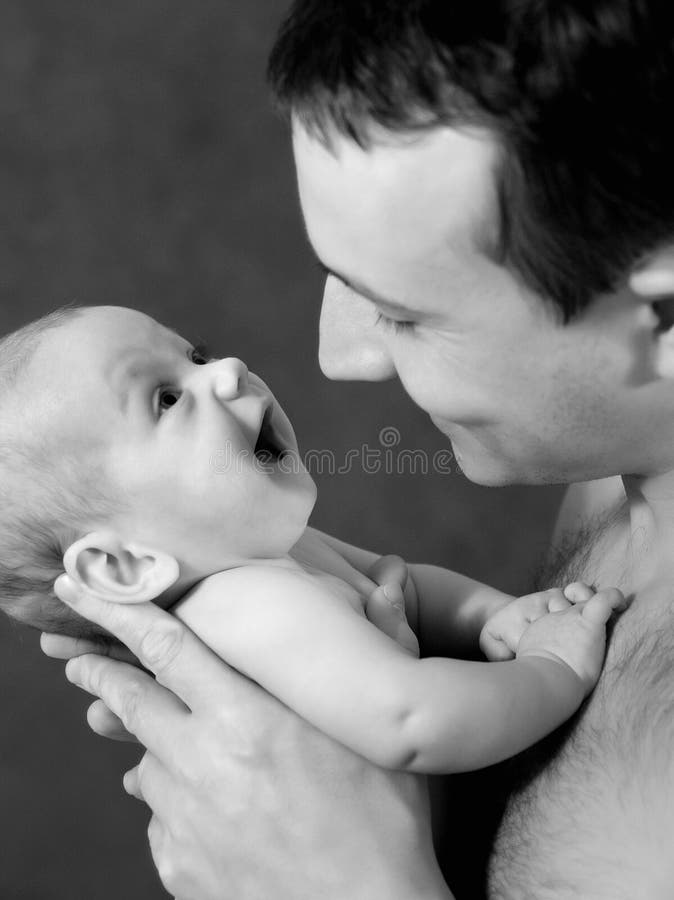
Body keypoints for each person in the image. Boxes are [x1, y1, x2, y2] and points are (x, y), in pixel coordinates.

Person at [41, 1, 674, 898]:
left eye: (403, 312)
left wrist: (347, 882)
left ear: (665, 315)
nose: (337, 361)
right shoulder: (617, 474)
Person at [0, 304, 625, 782]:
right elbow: (412, 721)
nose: (228, 371)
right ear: (123, 564)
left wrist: (492, 615)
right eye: (165, 398)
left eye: (197, 356)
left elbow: (401, 587)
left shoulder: (268, 556)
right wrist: (553, 669)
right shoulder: (245, 608)